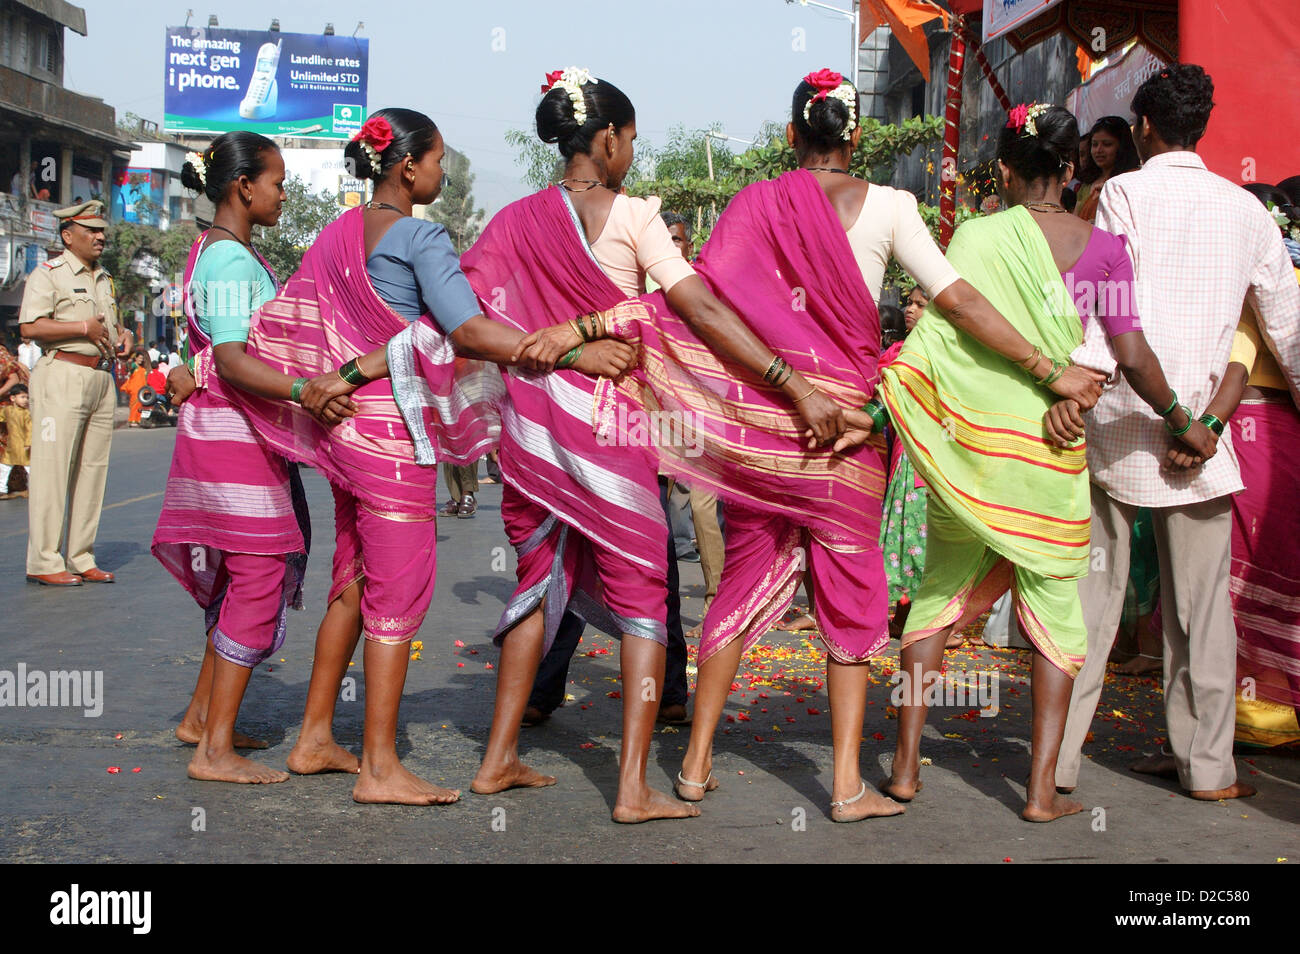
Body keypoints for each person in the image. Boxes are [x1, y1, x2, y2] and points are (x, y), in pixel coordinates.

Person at [396, 69, 841, 822]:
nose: (631, 152)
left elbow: (469, 325)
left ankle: (498, 759)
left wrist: (551, 354)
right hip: (612, 432)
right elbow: (693, 306)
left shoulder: (511, 222)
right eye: (629, 139)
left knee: (534, 587)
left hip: (533, 441)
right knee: (642, 598)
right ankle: (632, 788)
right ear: (605, 139)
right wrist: (787, 380)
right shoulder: (635, 218)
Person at [232, 108, 631, 804]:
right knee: (398, 595)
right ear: (408, 166)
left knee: (352, 582)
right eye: (440, 160)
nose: (444, 173)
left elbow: (289, 327)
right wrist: (574, 351)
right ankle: (380, 767)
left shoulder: (331, 237)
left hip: (343, 433)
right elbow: (469, 330)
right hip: (393, 439)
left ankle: (316, 735)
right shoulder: (420, 237)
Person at [877, 103, 1197, 822]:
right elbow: (1129, 353)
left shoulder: (975, 235)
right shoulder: (1106, 248)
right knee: (1058, 616)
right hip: (1051, 454)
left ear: (1004, 169)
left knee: (935, 602)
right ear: (1070, 167)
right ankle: (1040, 791)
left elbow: (951, 330)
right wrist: (1181, 419)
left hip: (975, 454)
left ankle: (902, 769)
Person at [1055, 65, 1300, 801]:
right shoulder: (1249, 211)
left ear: (1142, 129)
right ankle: (1209, 769)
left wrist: (1084, 377)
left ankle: (1058, 761)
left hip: (1119, 419)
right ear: (1200, 129)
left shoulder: (1123, 192)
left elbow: (1103, 299)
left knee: (1091, 602)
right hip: (1205, 435)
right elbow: (1286, 327)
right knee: (1202, 611)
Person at [154, 132, 337, 783]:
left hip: (227, 434)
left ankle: (202, 720)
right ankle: (215, 751)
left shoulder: (223, 253)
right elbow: (232, 358)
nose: (283, 194)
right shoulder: (231, 261)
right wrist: (304, 391)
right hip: (234, 438)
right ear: (244, 187)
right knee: (258, 577)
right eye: (278, 182)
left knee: (240, 579)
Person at [18, 199, 130, 587]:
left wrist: (124, 335)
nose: (100, 237)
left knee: (92, 471)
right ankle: (44, 559)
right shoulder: (48, 274)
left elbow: (109, 325)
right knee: (52, 469)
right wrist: (82, 328)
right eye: (92, 231)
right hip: (62, 373)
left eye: (102, 231)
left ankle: (81, 555)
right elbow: (30, 328)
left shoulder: (105, 277)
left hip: (100, 378)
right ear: (69, 235)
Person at [1074, 116, 1140, 222]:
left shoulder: (1130, 181)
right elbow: (1076, 220)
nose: (1098, 150)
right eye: (1094, 145)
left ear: (1122, 147)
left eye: (1107, 144)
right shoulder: (1087, 184)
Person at [0, 384, 31, 500]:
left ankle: (32, 489)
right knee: (4, 467)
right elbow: (1, 416)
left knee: (29, 469)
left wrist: (28, 443)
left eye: (27, 397)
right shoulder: (8, 410)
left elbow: (30, 429)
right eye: (22, 397)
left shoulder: (27, 413)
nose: (25, 400)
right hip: (12, 446)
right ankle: (2, 490)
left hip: (23, 447)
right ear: (13, 398)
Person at [120, 352, 148, 426]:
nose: (141, 360)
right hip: (135, 389)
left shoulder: (142, 368)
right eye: (139, 358)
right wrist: (129, 363)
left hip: (142, 389)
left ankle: (138, 420)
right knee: (134, 405)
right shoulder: (134, 365)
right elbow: (130, 368)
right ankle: (132, 420)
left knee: (140, 405)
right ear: (136, 358)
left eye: (142, 358)